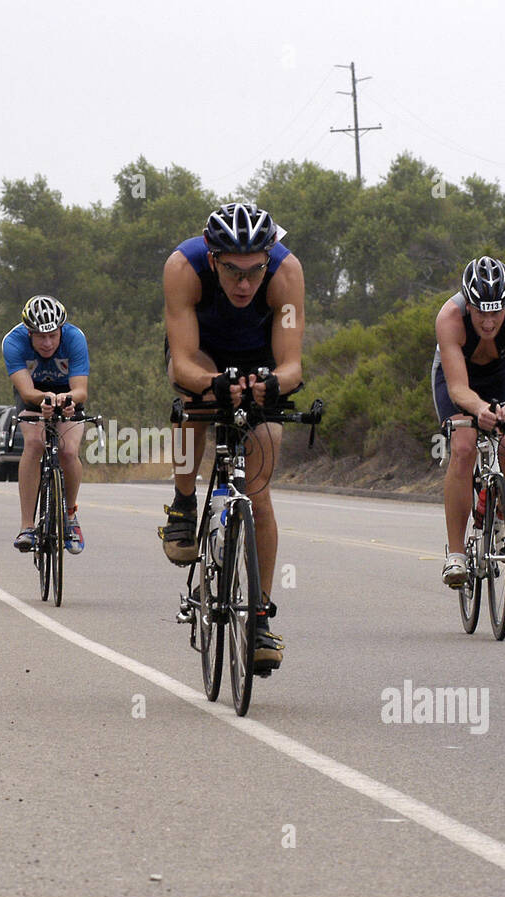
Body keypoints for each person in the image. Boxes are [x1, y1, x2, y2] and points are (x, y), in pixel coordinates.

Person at [160, 202, 304, 672]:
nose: (244, 284)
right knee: (191, 407)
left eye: (254, 271)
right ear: (212, 256)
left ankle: (259, 616)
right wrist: (212, 383)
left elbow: (292, 365)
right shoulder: (184, 267)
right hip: (202, 353)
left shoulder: (285, 273)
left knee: (258, 495)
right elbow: (181, 362)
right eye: (232, 272)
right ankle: (184, 503)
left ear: (268, 258)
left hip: (260, 358)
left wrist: (273, 385)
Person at [433, 256, 505, 588]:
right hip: (460, 378)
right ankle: (456, 554)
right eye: (481, 312)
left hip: (501, 376)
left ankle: (504, 521)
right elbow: (459, 388)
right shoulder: (450, 318)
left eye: (496, 311)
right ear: (468, 305)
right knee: (463, 449)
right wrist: (479, 410)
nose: (489, 322)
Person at [1, 295, 90, 553]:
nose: (48, 342)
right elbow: (27, 393)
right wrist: (45, 399)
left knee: (68, 450)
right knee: (34, 443)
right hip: (34, 393)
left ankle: (70, 515)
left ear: (61, 329)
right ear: (28, 332)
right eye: (40, 336)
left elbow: (81, 390)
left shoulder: (75, 338)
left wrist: (69, 399)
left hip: (67, 392)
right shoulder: (13, 342)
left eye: (53, 335)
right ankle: (27, 525)